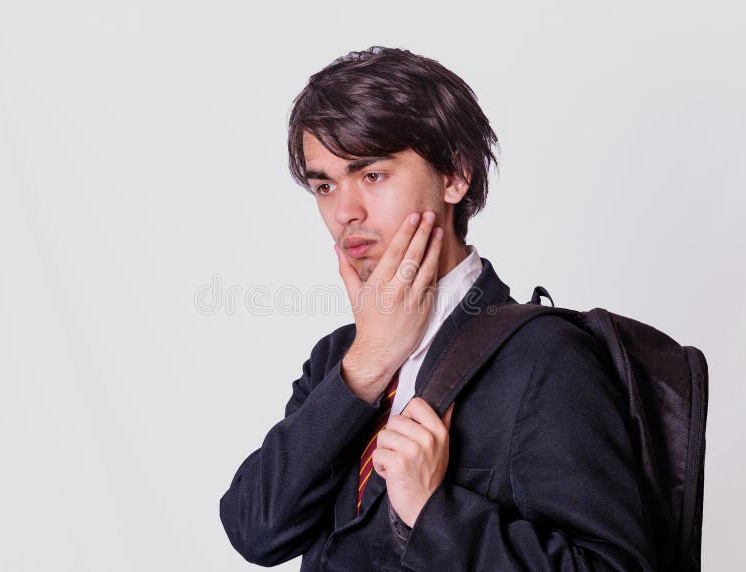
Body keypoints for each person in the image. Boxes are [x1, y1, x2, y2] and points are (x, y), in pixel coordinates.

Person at [220, 46, 655, 571]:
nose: (345, 212)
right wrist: (367, 365)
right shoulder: (341, 357)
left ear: (455, 176)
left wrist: (432, 513)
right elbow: (254, 531)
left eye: (372, 175)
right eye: (325, 185)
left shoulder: (544, 357)